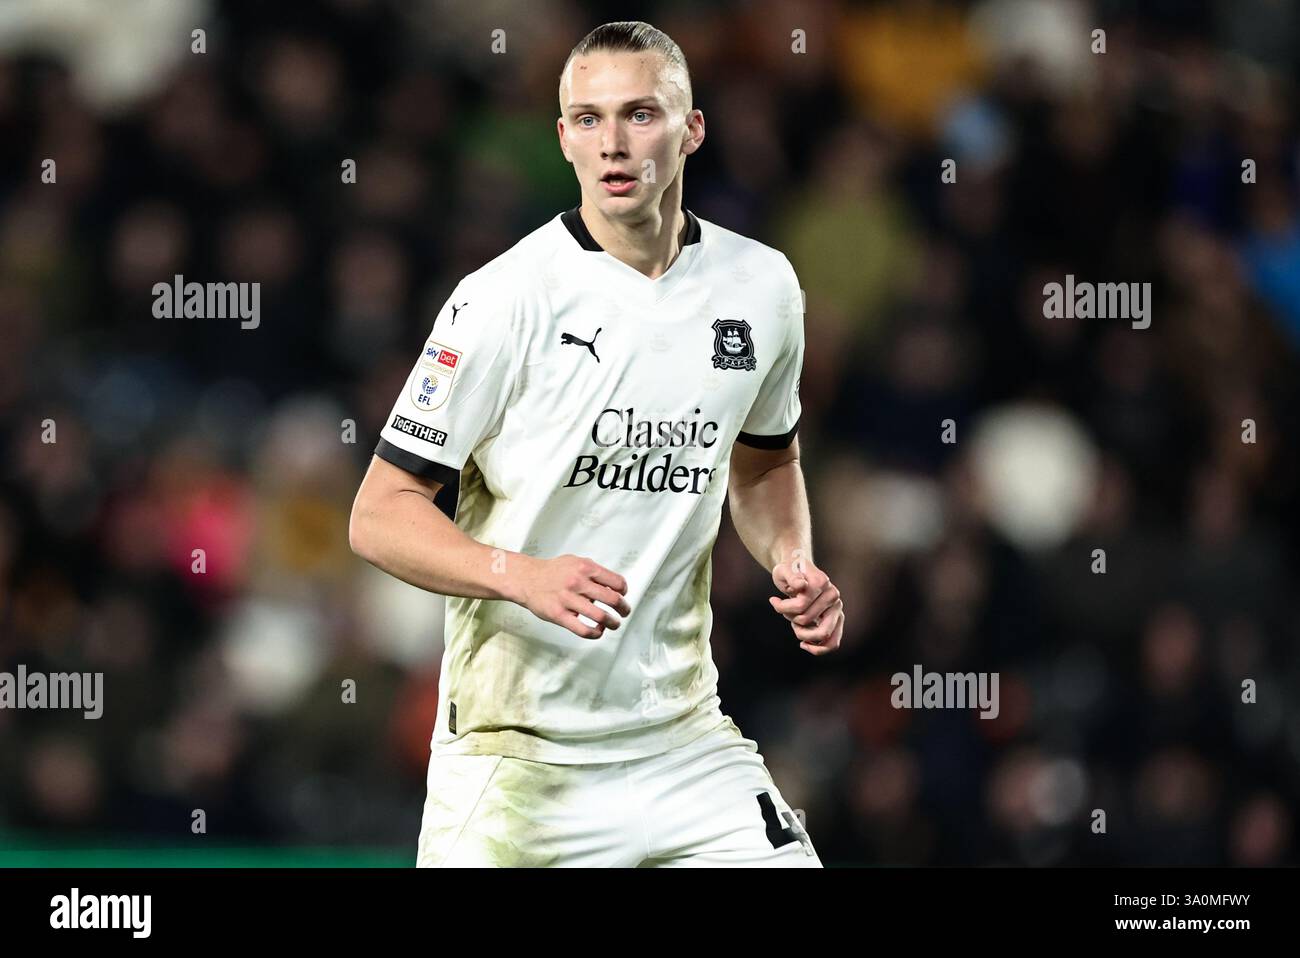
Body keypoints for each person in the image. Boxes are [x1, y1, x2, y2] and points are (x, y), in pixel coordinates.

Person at [349, 20, 844, 867]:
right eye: (588, 119)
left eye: (641, 114)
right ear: (563, 139)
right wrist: (522, 576)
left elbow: (765, 459)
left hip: (682, 742)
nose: (614, 143)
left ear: (691, 130)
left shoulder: (761, 288)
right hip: (518, 759)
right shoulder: (504, 300)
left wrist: (791, 556)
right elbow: (378, 515)